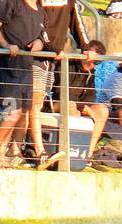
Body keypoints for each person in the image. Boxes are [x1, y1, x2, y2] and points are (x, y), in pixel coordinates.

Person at [27, 0, 91, 165]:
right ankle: (38, 149)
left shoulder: (70, 2)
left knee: (35, 105)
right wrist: (50, 46)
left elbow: (78, 25)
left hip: (52, 60)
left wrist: (86, 47)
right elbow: (37, 24)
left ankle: (26, 147)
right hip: (35, 56)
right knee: (31, 104)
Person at [0, 0, 45, 169]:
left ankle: (1, 153)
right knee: (11, 113)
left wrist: (39, 43)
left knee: (19, 114)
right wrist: (6, 45)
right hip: (8, 68)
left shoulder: (40, 10)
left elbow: (42, 35)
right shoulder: (11, 3)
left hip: (26, 68)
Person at [65, 38, 111, 162]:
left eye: (96, 62)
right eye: (92, 60)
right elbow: (62, 92)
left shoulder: (92, 72)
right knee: (71, 107)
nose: (93, 65)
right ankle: (70, 151)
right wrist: (83, 108)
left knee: (102, 110)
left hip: (79, 105)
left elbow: (91, 96)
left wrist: (86, 108)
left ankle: (87, 153)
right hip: (60, 103)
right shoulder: (69, 65)